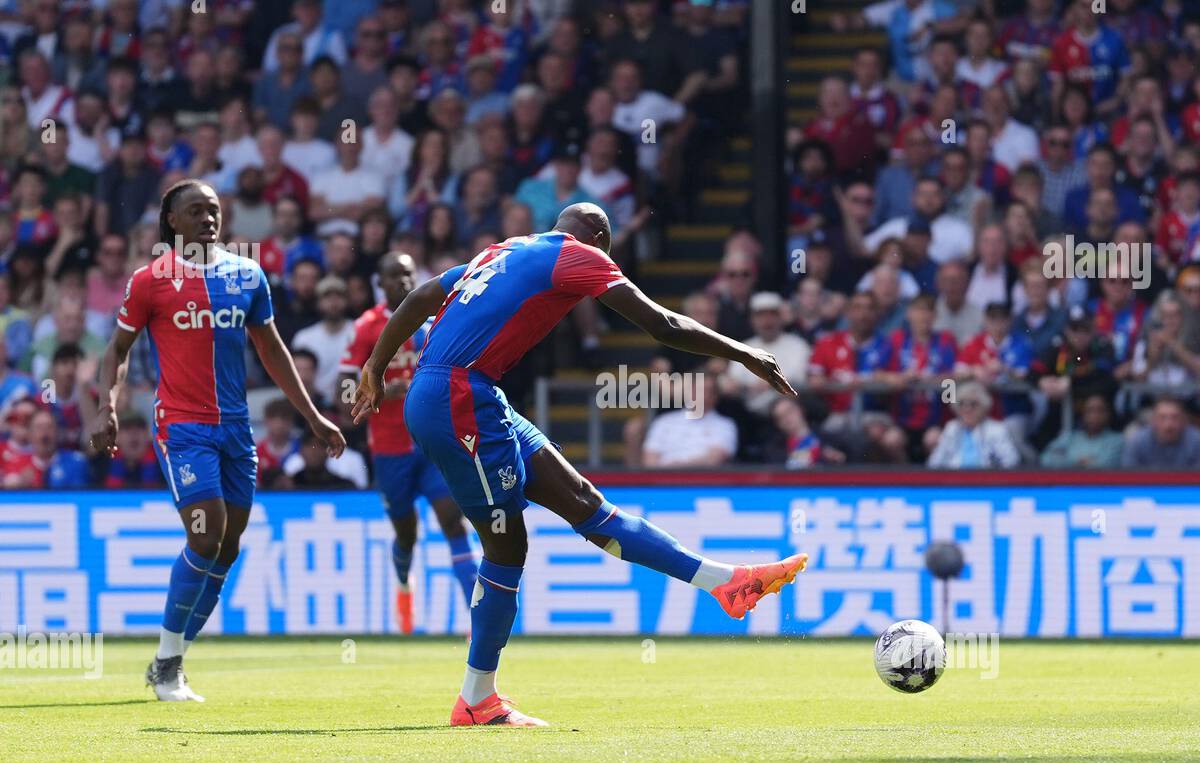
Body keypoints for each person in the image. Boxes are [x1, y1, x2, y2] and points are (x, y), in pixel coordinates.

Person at [350, 203, 808, 727]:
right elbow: (661, 324)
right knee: (506, 544)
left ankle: (725, 582)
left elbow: (422, 296)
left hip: (472, 394)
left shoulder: (503, 250)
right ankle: (477, 700)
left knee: (587, 505)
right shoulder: (579, 254)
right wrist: (745, 353)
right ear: (600, 239)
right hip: (456, 396)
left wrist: (374, 366)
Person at [91, 179, 346, 703]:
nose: (209, 218)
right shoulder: (150, 281)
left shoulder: (247, 275)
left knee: (225, 550)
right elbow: (116, 350)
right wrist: (107, 404)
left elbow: (272, 352)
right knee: (206, 537)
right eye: (196, 210)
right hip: (182, 428)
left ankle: (172, 659)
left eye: (214, 210)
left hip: (236, 430)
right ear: (172, 221)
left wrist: (314, 416)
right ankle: (166, 664)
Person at [338, 252, 479, 635]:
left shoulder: (434, 321)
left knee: (453, 519)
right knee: (407, 532)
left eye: (407, 274)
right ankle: (403, 585)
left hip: (432, 442)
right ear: (379, 283)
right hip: (389, 449)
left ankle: (475, 614)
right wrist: (384, 388)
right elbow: (344, 391)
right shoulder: (366, 328)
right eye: (393, 276)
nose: (402, 281)